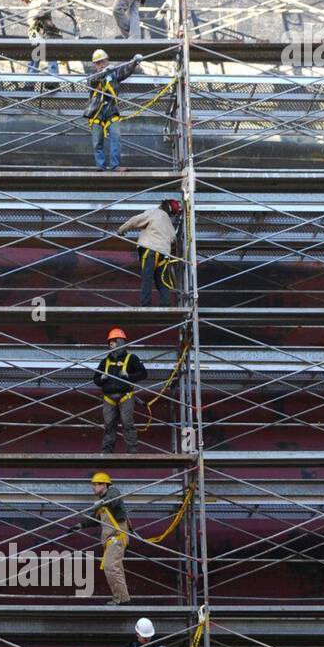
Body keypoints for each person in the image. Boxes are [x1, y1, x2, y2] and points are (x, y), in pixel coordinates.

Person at [84, 48, 142, 171]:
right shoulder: (92, 76)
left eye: (102, 62)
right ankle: (101, 166)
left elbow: (125, 70)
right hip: (96, 112)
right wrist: (103, 72)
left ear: (107, 61)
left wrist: (134, 62)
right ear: (95, 65)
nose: (100, 64)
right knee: (97, 142)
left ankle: (115, 166)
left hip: (111, 110)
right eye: (98, 63)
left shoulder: (114, 74)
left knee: (116, 138)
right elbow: (91, 82)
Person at [94, 325, 147, 453]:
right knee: (109, 425)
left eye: (113, 341)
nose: (110, 344)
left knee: (127, 423)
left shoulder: (131, 359)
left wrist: (129, 376)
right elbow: (95, 379)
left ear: (119, 342)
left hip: (126, 396)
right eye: (110, 342)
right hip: (109, 398)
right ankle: (107, 450)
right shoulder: (105, 361)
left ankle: (132, 450)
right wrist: (101, 378)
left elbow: (143, 374)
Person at [118, 199, 181, 305]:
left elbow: (135, 220)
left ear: (162, 205)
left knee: (147, 278)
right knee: (162, 281)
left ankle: (145, 304)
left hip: (150, 250)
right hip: (164, 254)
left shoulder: (154, 213)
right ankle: (165, 304)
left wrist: (121, 229)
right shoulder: (169, 223)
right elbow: (173, 238)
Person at [82, 470, 130, 604]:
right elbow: (95, 519)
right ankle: (120, 599)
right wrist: (80, 525)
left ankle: (123, 600)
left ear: (104, 485)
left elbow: (112, 500)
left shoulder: (113, 493)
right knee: (113, 568)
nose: (93, 487)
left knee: (111, 566)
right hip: (111, 540)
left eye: (96, 484)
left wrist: (102, 502)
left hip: (117, 538)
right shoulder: (102, 504)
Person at [17, 0, 61, 74]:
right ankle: (31, 82)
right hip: (39, 31)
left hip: (44, 30)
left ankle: (51, 81)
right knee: (35, 57)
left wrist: (32, 18)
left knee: (47, 55)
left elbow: (41, 6)